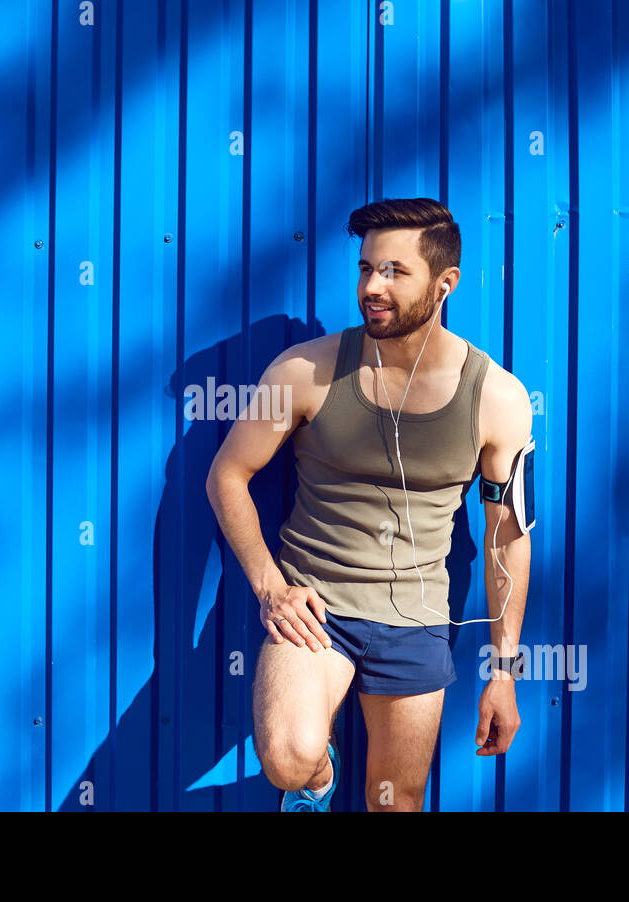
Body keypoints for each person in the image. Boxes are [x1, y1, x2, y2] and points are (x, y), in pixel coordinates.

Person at [205, 197, 534, 811]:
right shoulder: (304, 371)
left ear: (445, 283)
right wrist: (271, 587)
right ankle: (316, 782)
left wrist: (504, 672)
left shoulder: (498, 398)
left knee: (394, 802)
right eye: (365, 269)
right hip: (315, 609)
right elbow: (228, 475)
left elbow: (507, 537)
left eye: (394, 272)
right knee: (288, 757)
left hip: (416, 619)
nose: (371, 288)